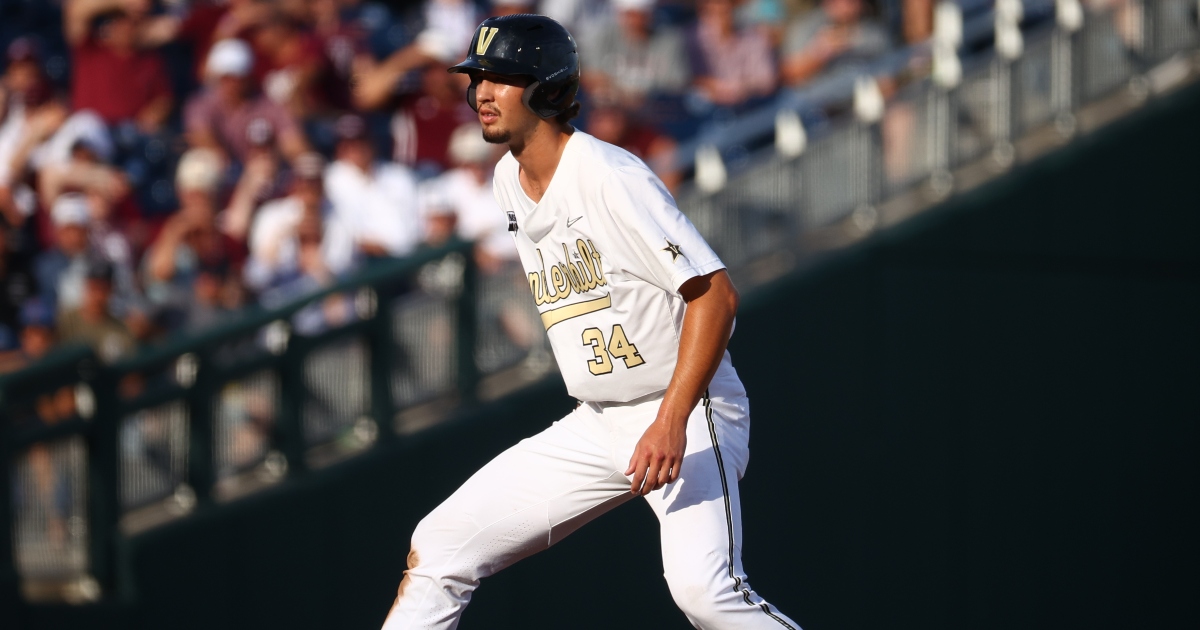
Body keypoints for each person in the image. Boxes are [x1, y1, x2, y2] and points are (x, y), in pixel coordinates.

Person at [381, 15, 799, 630]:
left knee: (706, 592)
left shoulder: (610, 176)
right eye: (477, 79)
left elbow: (715, 297)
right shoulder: (506, 178)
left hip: (687, 408)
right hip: (598, 419)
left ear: (547, 88)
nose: (482, 94)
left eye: (502, 78)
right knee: (441, 545)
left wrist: (671, 418)